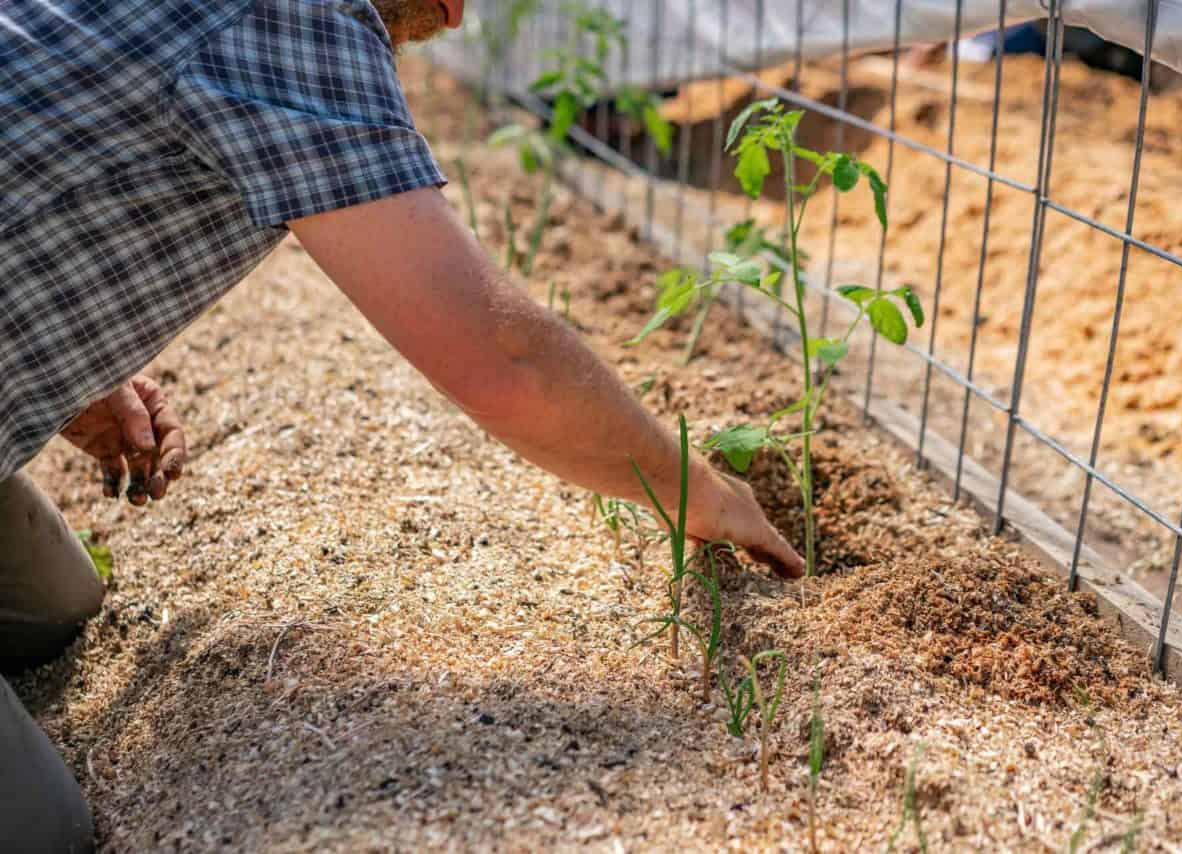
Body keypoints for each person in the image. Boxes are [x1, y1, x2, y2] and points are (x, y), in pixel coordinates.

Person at [0, 0, 803, 849]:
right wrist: (695, 491)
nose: (465, 16)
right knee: (44, 833)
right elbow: (507, 363)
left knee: (57, 611)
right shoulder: (294, 20)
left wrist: (67, 374)